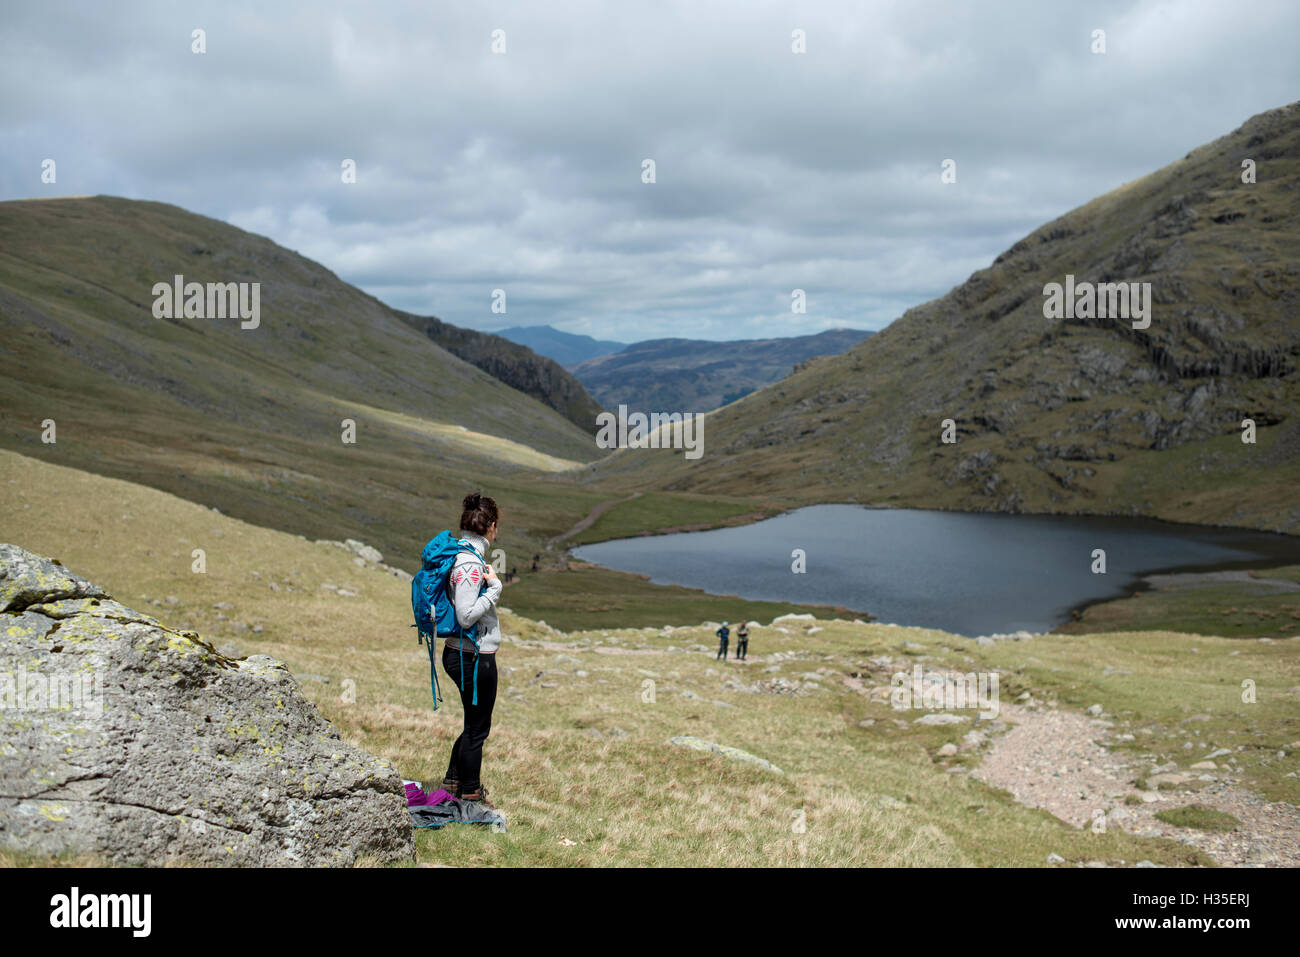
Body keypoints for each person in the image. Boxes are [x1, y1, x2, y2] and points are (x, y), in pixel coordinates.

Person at [441, 492, 503, 808]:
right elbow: (466, 616)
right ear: (490, 527)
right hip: (472, 657)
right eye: (496, 527)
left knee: (472, 725)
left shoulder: (461, 554)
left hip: (464, 653)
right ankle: (470, 792)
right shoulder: (469, 563)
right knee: (478, 729)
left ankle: (454, 779)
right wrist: (495, 590)